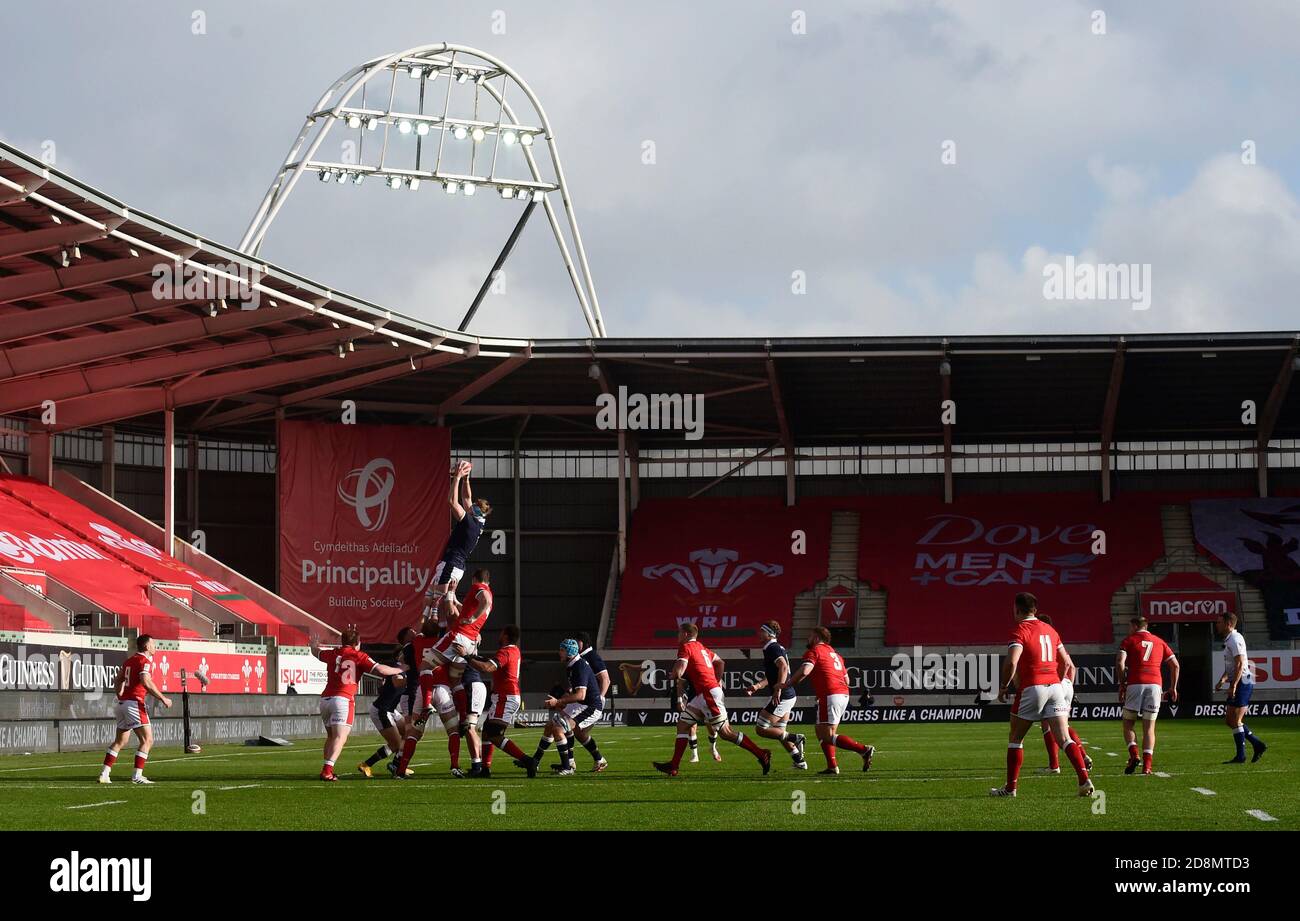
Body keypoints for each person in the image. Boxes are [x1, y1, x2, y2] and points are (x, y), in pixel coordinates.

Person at [990, 593, 1092, 798]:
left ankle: (1010, 789)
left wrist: (1003, 686)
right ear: (1035, 610)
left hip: (1033, 687)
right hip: (1055, 686)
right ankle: (1084, 780)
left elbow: (1012, 662)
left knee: (1015, 739)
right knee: (1064, 738)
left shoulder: (1020, 630)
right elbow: (1066, 662)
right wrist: (1060, 681)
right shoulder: (1050, 630)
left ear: (1017, 609)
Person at [653, 624, 771, 777]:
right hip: (704, 694)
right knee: (683, 724)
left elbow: (679, 670)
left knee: (726, 733)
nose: (678, 636)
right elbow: (720, 662)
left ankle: (761, 754)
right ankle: (674, 766)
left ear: (687, 634)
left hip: (708, 694)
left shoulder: (686, 647)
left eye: (679, 633)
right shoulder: (701, 647)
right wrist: (717, 680)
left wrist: (674, 674)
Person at [314, 627, 404, 782]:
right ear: (357, 643)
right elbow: (381, 670)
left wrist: (313, 644)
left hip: (325, 699)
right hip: (343, 699)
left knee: (331, 737)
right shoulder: (358, 656)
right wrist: (401, 669)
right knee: (340, 737)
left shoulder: (332, 653)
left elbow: (316, 653)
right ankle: (327, 770)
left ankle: (327, 768)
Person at [785, 626, 872, 775]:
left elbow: (805, 671)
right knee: (821, 731)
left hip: (830, 695)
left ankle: (864, 750)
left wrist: (787, 684)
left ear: (817, 638)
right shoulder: (836, 655)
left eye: (810, 636)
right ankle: (832, 766)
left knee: (827, 735)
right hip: (842, 694)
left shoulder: (814, 652)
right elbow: (847, 679)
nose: (808, 639)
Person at [422, 461, 490, 625]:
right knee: (430, 602)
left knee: (439, 608)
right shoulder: (479, 521)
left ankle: (464, 626)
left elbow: (452, 502)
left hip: (451, 564)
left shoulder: (469, 523)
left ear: (474, 511)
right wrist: (466, 479)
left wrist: (457, 477)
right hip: (455, 565)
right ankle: (432, 633)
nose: (469, 504)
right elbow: (466, 497)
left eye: (472, 506)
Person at [99, 634, 171, 785]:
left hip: (122, 704)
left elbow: (118, 679)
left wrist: (119, 692)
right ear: (146, 646)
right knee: (147, 740)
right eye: (153, 644)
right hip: (134, 703)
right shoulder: (144, 661)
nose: (155, 647)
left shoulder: (129, 661)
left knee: (120, 741)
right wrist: (163, 698)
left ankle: (105, 774)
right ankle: (137, 776)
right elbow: (145, 681)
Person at [529, 639, 608, 776]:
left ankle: (568, 767)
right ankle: (535, 761)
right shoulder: (572, 665)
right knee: (551, 726)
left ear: (570, 651)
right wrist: (560, 701)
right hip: (582, 704)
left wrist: (558, 701)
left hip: (590, 706)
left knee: (558, 729)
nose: (559, 653)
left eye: (562, 650)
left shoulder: (579, 666)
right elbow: (573, 691)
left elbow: (581, 695)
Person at [1116, 616, 1179, 775]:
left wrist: (1122, 683)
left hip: (1135, 684)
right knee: (1149, 728)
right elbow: (1175, 665)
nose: (1129, 630)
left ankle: (1134, 755)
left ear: (1136, 626)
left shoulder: (1129, 640)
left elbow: (1120, 662)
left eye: (1130, 626)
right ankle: (1147, 767)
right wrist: (1173, 687)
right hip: (1155, 685)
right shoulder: (1159, 641)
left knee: (1128, 723)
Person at [466, 625, 532, 777]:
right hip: (507, 696)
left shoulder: (505, 651)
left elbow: (487, 668)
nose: (499, 636)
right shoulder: (514, 650)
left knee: (494, 735)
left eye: (501, 633)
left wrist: (467, 657)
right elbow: (491, 663)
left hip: (505, 697)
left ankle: (527, 760)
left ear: (506, 635)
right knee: (487, 732)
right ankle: (485, 769)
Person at [1033, 613, 1091, 776]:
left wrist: (1056, 683)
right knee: (1063, 726)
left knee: (1047, 725)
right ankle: (1083, 755)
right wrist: (1068, 686)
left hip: (1055, 683)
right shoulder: (1055, 639)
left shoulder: (1042, 639)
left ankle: (1054, 765)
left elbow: (1066, 665)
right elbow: (1071, 666)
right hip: (1066, 684)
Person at [744, 620, 807, 769]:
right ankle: (799, 761)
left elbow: (783, 668)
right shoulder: (773, 648)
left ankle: (796, 738)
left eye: (762, 631)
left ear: (769, 634)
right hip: (788, 695)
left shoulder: (772, 648)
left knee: (761, 728)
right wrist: (757, 686)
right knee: (779, 731)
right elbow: (774, 674)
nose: (759, 633)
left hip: (783, 695)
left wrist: (777, 690)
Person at [358, 627, 417, 778]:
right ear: (400, 656)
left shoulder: (405, 668)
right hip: (381, 710)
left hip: (391, 710)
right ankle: (366, 764)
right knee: (396, 744)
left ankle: (399, 763)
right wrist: (410, 680)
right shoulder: (398, 668)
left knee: (410, 733)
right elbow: (397, 682)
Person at [1214, 612, 1266, 764]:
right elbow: (1232, 666)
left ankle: (1241, 756)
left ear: (1228, 624)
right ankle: (1257, 744)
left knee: (1235, 719)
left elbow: (1240, 663)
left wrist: (1234, 685)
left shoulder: (1235, 639)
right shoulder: (1230, 639)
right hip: (1239, 681)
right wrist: (1223, 679)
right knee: (1230, 720)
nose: (1217, 625)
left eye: (1219, 622)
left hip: (1242, 682)